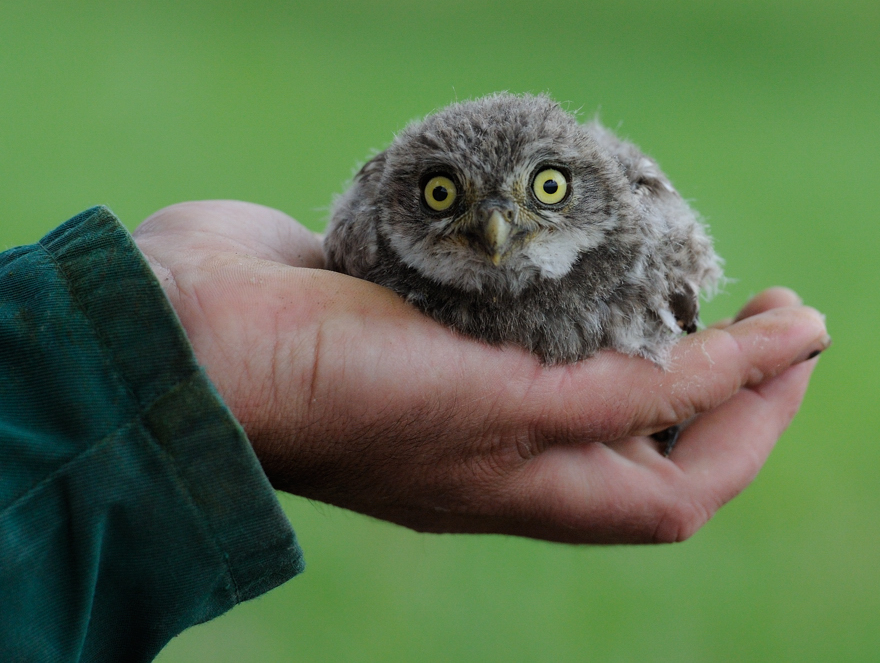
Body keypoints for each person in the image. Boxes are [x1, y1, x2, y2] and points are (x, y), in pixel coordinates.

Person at [0, 201, 829, 661]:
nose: (496, 231)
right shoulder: (372, 239)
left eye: (544, 190)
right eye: (442, 196)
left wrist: (182, 322)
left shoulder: (630, 233)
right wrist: (197, 331)